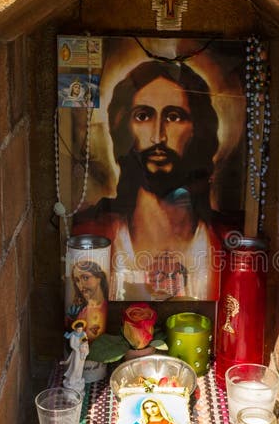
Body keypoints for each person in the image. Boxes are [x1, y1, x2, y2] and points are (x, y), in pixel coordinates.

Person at [74, 59, 222, 301]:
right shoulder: (92, 232)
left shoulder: (224, 239)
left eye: (174, 117)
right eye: (143, 116)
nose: (157, 137)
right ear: (124, 129)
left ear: (197, 129)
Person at [68, 259, 108, 340]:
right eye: (77, 280)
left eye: (85, 277)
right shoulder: (77, 310)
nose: (81, 284)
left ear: (99, 278)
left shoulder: (106, 307)